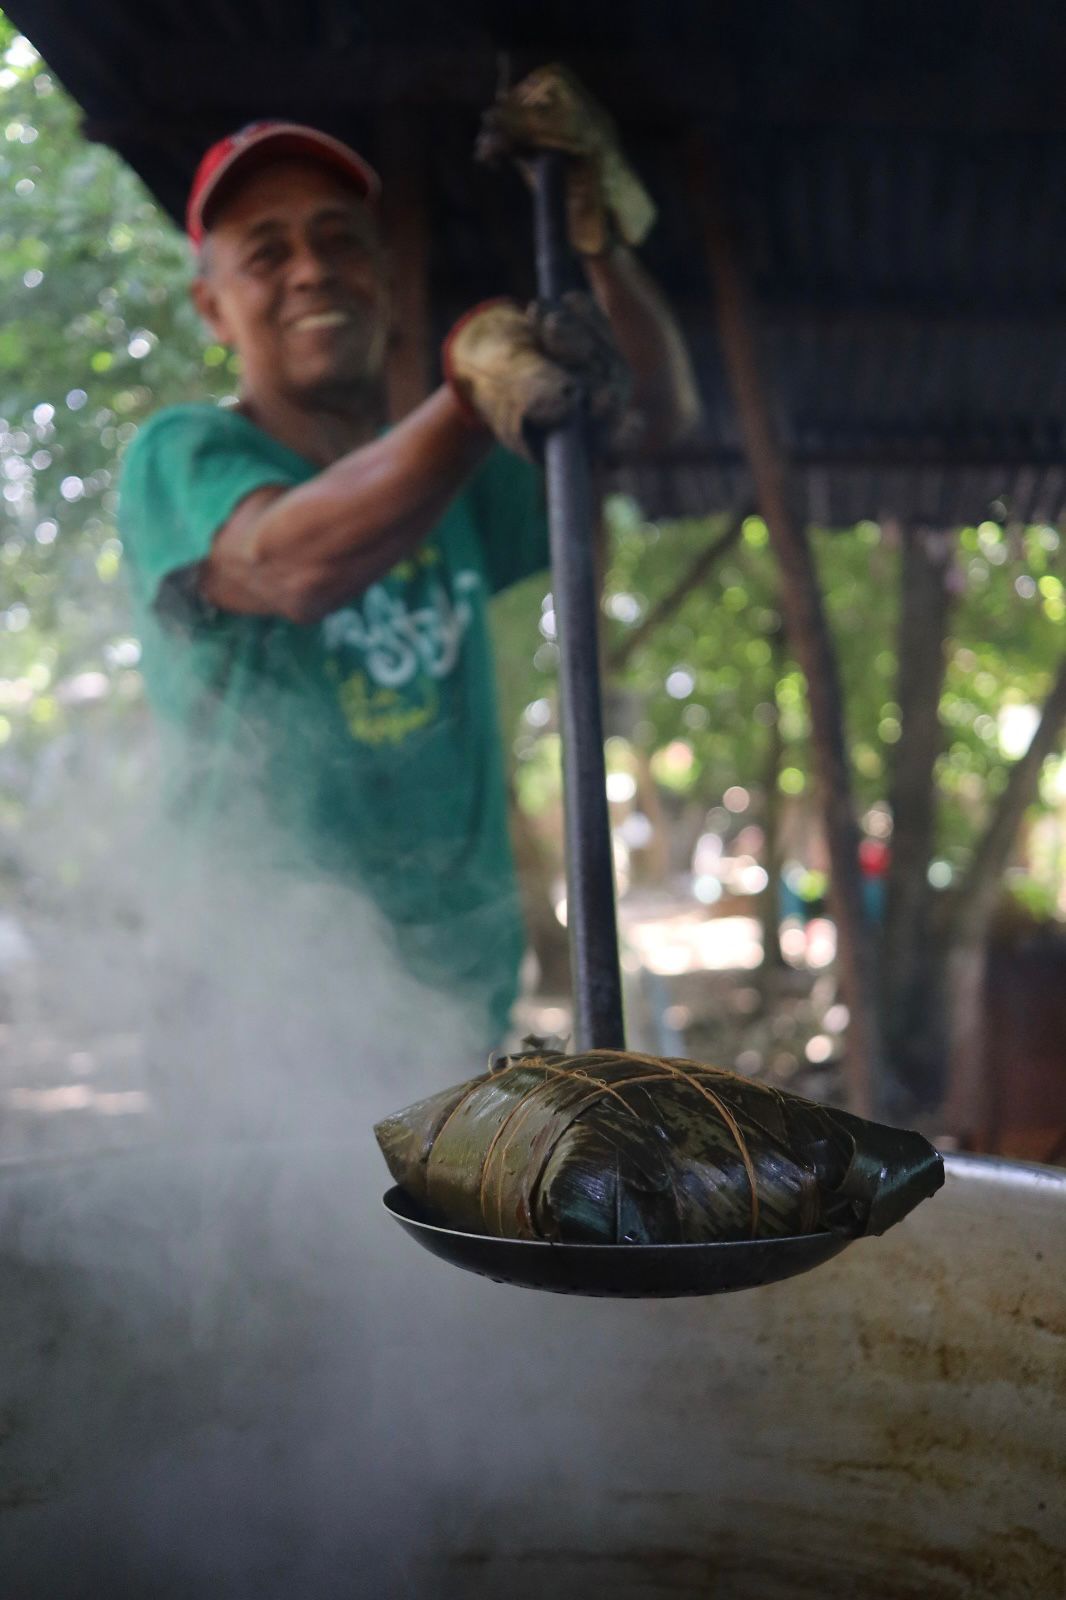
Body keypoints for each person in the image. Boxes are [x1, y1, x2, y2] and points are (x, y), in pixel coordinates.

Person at [118, 67, 699, 1047]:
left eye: (340, 239)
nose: (310, 269)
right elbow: (290, 563)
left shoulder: (452, 482)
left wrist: (602, 249)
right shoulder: (182, 455)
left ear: (382, 276)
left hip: (447, 1011)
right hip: (249, 1015)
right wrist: (471, 400)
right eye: (266, 252)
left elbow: (655, 417)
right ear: (212, 309)